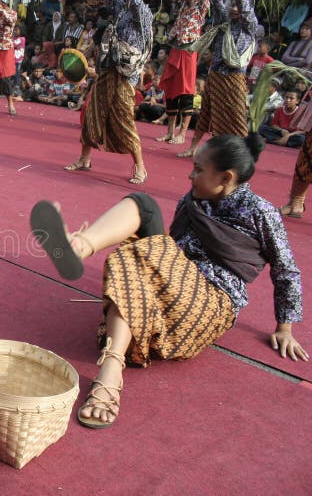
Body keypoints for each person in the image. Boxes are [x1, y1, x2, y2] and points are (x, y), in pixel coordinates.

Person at [31, 133, 306, 429]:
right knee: (143, 207)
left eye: (199, 170)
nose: (191, 175)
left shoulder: (261, 213)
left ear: (226, 177)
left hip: (210, 301)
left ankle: (110, 372)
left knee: (136, 255)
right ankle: (80, 247)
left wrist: (285, 328)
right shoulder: (193, 200)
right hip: (176, 279)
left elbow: (286, 270)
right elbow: (171, 247)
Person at [65, 0, 153, 185]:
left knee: (125, 121)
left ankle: (140, 167)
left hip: (125, 78)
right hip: (108, 70)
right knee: (91, 112)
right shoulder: (123, 8)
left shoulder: (143, 14)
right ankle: (85, 158)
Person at [178, 0, 257, 158]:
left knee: (237, 117)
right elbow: (216, 0)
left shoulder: (250, 26)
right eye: (233, 6)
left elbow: (245, 8)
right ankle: (193, 147)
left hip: (234, 77)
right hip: (215, 74)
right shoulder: (224, 20)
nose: (235, 9)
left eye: (239, 6)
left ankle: (239, 154)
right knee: (205, 113)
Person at [155, 0, 208, 145]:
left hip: (188, 54)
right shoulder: (182, 6)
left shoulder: (200, 8)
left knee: (186, 92)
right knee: (170, 90)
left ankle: (183, 133)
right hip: (176, 50)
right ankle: (170, 131)